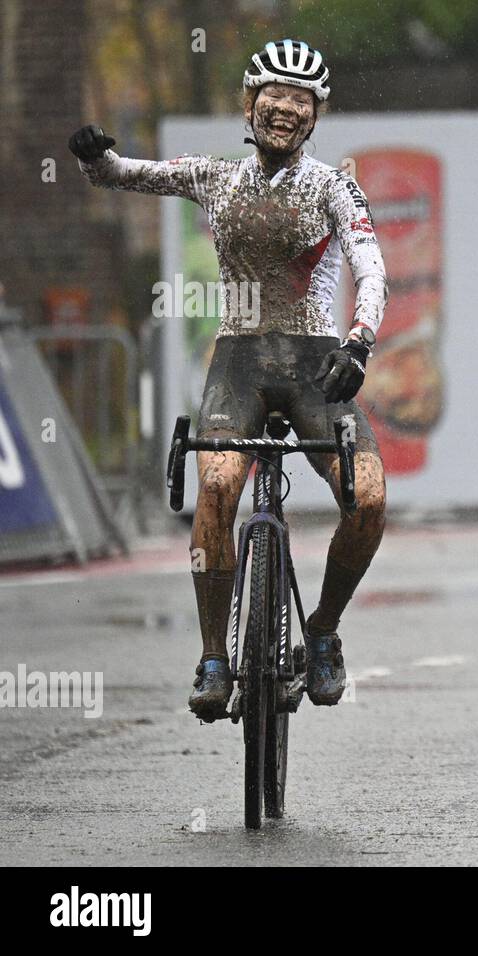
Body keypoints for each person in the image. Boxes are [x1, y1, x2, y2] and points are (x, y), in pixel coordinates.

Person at [70, 39, 388, 721]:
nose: (285, 108)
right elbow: (124, 174)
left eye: (301, 100)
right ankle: (215, 656)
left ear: (315, 115)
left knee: (368, 498)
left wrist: (359, 342)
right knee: (215, 489)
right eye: (274, 94)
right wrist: (95, 154)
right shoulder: (215, 176)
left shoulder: (335, 186)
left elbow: (372, 266)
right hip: (238, 360)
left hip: (316, 364)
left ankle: (324, 631)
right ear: (250, 103)